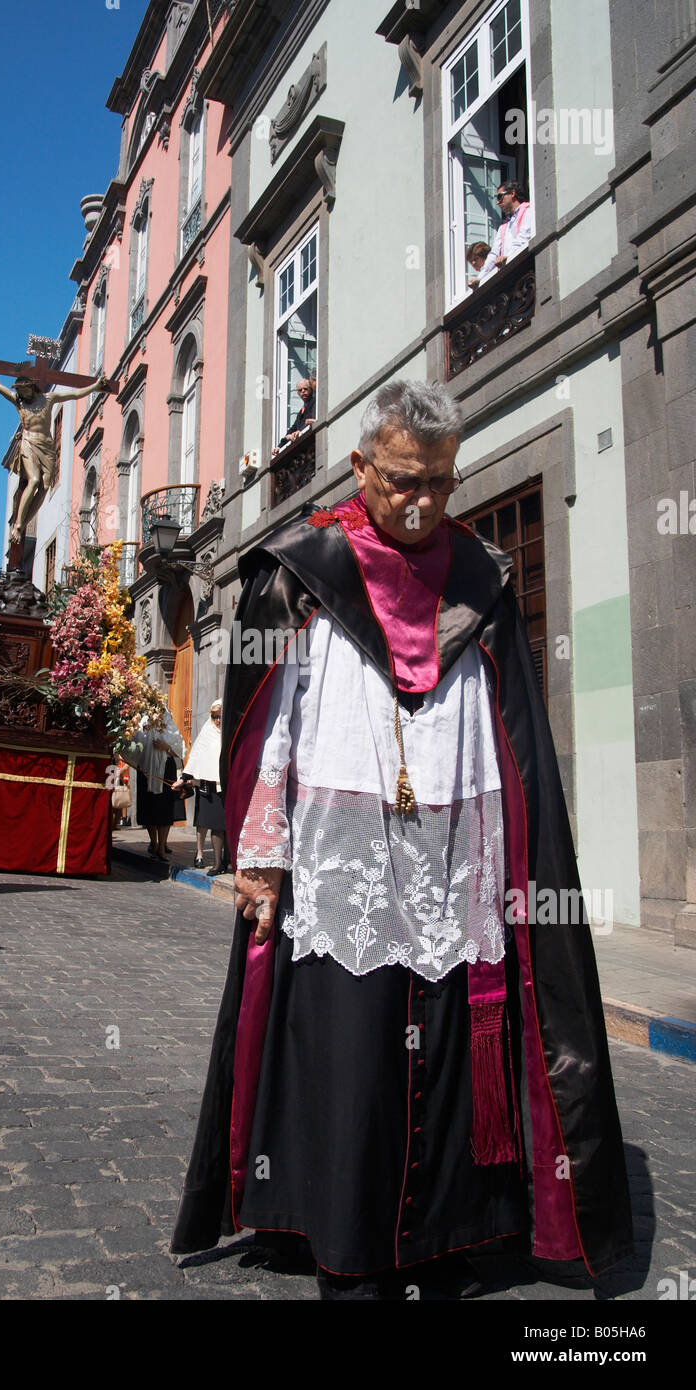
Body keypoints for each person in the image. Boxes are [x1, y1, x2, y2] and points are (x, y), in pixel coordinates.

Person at [172, 379, 632, 1299]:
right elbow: (273, 727)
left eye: (438, 482)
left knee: (461, 1047)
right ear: (359, 468)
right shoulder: (302, 571)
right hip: (343, 861)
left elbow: (511, 732)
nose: (420, 502)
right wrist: (260, 855)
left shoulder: (482, 578)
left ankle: (450, 1231)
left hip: (457, 856)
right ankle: (347, 1239)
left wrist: (514, 859)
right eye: (400, 482)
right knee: (355, 1055)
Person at [0, 354, 111, 544]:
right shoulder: (18, 401)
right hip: (29, 443)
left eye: (24, 390)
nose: (21, 394)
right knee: (35, 480)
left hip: (46, 445)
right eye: (19, 391)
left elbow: (75, 394)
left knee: (45, 486)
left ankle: (23, 522)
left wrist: (95, 386)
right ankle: (19, 524)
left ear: (31, 387)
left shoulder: (48, 398)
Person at [174, 700, 228, 875]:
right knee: (212, 824)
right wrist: (182, 779)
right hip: (208, 786)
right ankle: (217, 863)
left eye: (221, 716)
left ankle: (228, 860)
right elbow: (196, 757)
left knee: (225, 826)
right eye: (215, 717)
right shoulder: (207, 733)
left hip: (226, 786)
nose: (218, 721)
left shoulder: (230, 733)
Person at [132, 712, 186, 861]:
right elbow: (134, 745)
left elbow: (180, 750)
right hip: (146, 769)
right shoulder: (143, 726)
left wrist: (166, 747)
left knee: (164, 807)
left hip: (165, 770)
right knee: (149, 806)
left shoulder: (170, 728)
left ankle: (162, 845)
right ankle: (153, 842)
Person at [473, 181, 534, 284]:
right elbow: (494, 254)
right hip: (510, 275)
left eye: (500, 197)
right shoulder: (504, 226)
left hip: (525, 269)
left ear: (512, 193)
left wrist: (508, 257)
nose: (497, 202)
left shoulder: (529, 210)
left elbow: (523, 238)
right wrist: (480, 278)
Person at [272, 378, 316, 455]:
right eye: (300, 390)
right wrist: (280, 446)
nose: (303, 391)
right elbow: (293, 428)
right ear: (298, 393)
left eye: (305, 389)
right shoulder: (300, 412)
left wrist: (300, 431)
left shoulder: (315, 402)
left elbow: (312, 421)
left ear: (310, 389)